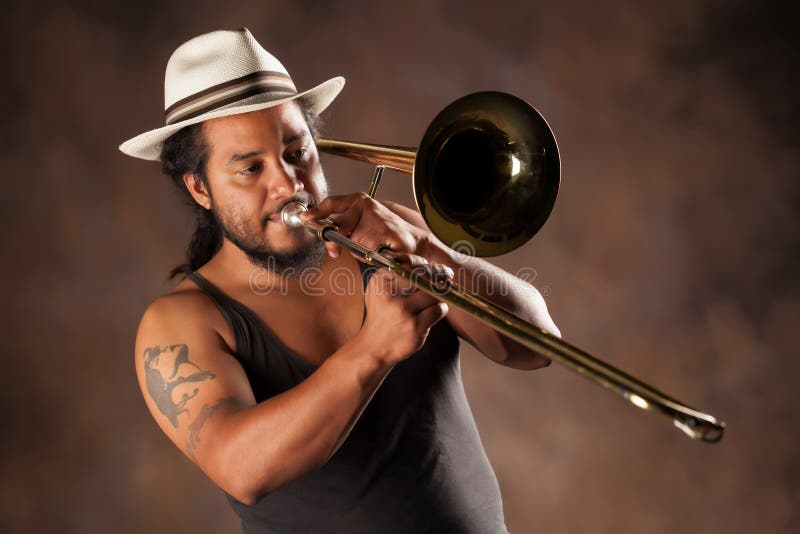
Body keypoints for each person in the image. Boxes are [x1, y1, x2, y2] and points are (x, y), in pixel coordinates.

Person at [120, 28, 560, 534]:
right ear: (200, 187)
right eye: (250, 168)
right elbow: (243, 470)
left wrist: (430, 250)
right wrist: (373, 349)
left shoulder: (388, 230)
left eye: (297, 152)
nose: (288, 185)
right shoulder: (178, 322)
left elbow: (536, 347)